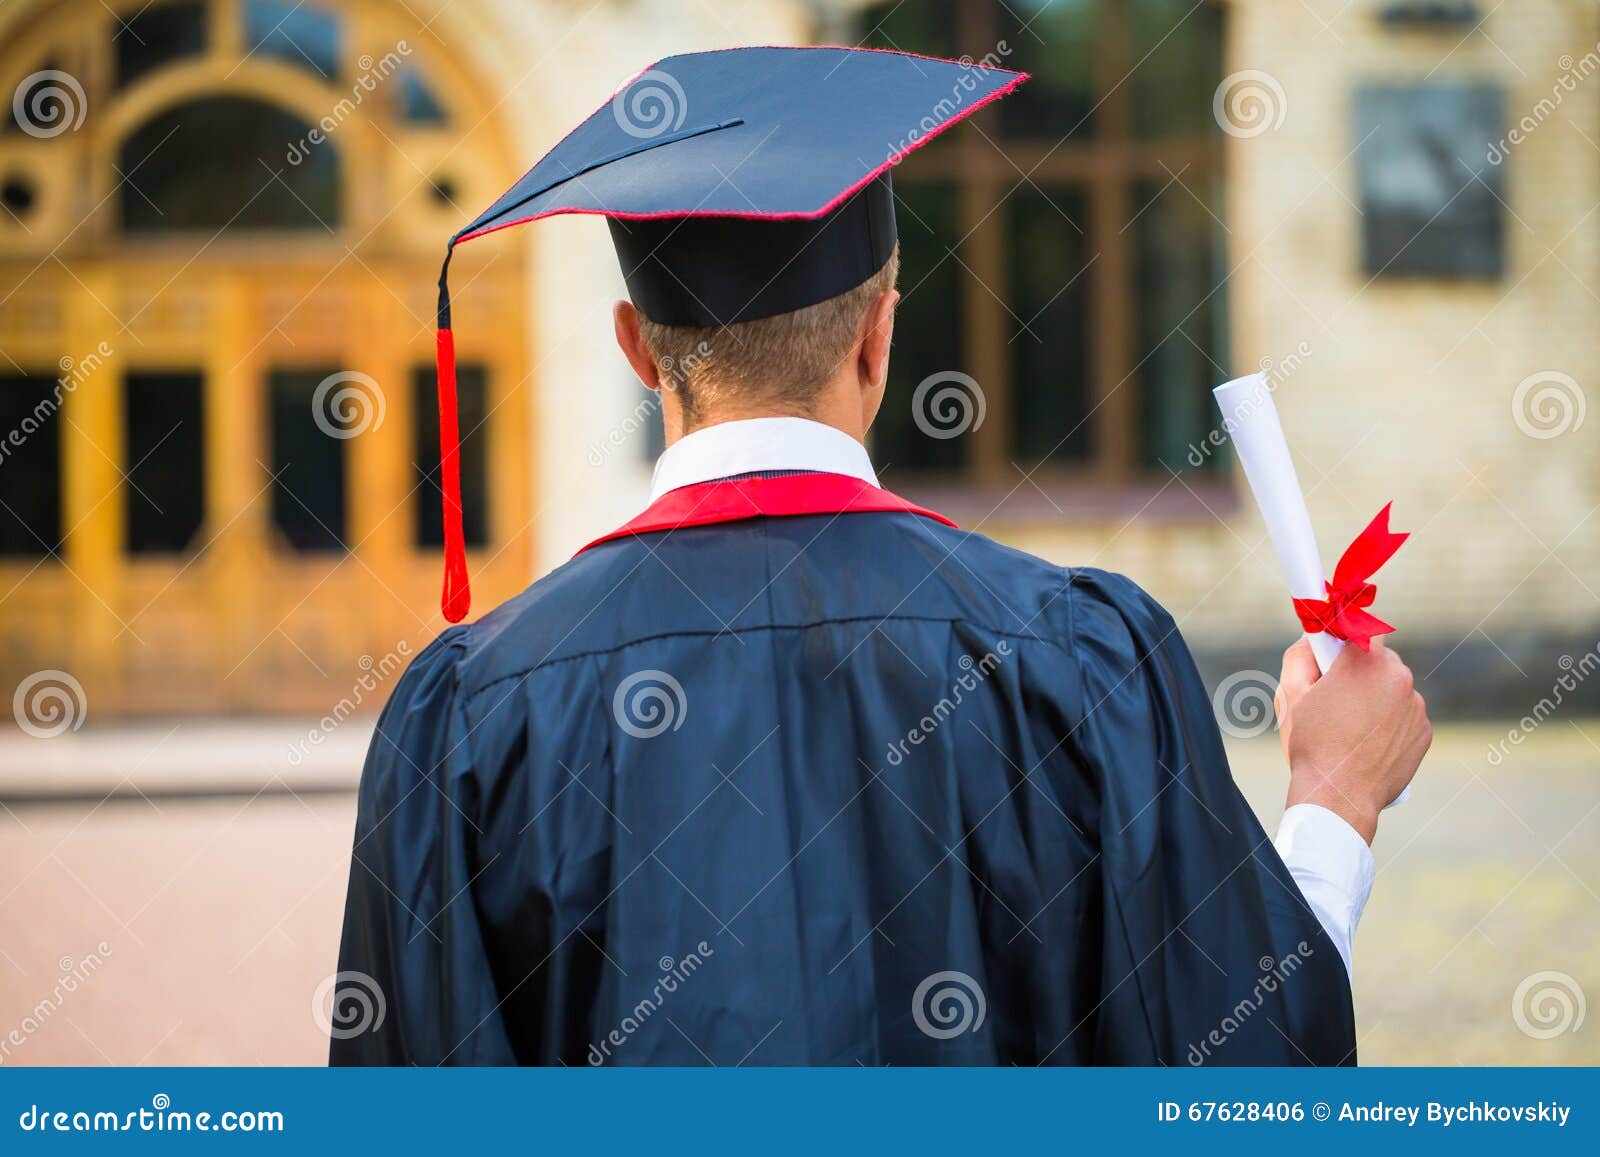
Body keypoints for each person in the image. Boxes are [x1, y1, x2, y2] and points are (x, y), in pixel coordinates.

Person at [330, 46, 1431, 1065]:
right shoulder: (1075, 654)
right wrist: (1333, 796)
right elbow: (1238, 1077)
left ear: (636, 349)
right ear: (880, 334)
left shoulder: (475, 712)